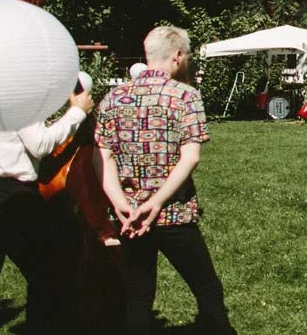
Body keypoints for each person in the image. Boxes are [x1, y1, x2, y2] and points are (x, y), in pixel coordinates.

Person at [97, 26, 235, 335]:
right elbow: (191, 157)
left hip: (130, 216)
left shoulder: (113, 97)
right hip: (174, 213)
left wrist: (120, 205)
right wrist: (157, 201)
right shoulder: (186, 96)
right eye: (186, 55)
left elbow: (102, 158)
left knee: (137, 294)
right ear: (177, 56)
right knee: (206, 287)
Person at [0, 79, 94, 335]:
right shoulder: (18, 98)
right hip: (12, 192)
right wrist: (77, 112)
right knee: (44, 269)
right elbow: (40, 144)